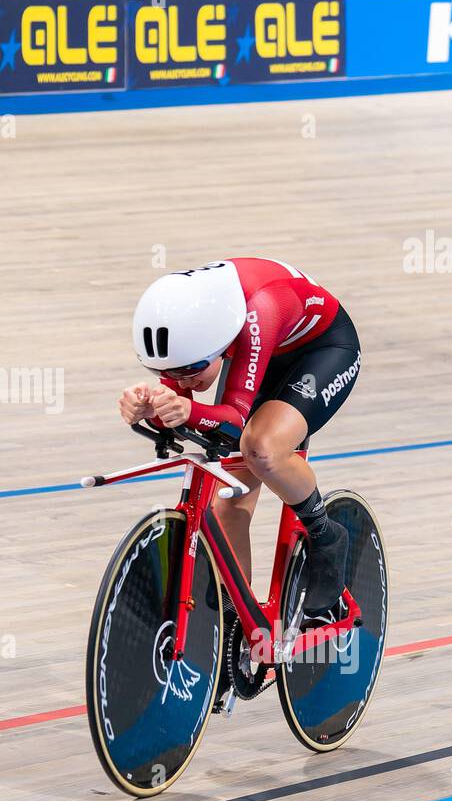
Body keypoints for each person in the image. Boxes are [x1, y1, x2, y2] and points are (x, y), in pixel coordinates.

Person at [118, 258, 362, 626]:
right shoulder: (197, 327)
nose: (179, 382)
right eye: (163, 373)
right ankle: (237, 625)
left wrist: (185, 409)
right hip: (260, 348)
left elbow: (233, 420)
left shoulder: (258, 310)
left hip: (322, 351)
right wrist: (149, 407)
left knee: (261, 447)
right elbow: (184, 402)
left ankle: (326, 535)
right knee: (230, 501)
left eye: (187, 371)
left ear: (215, 342)